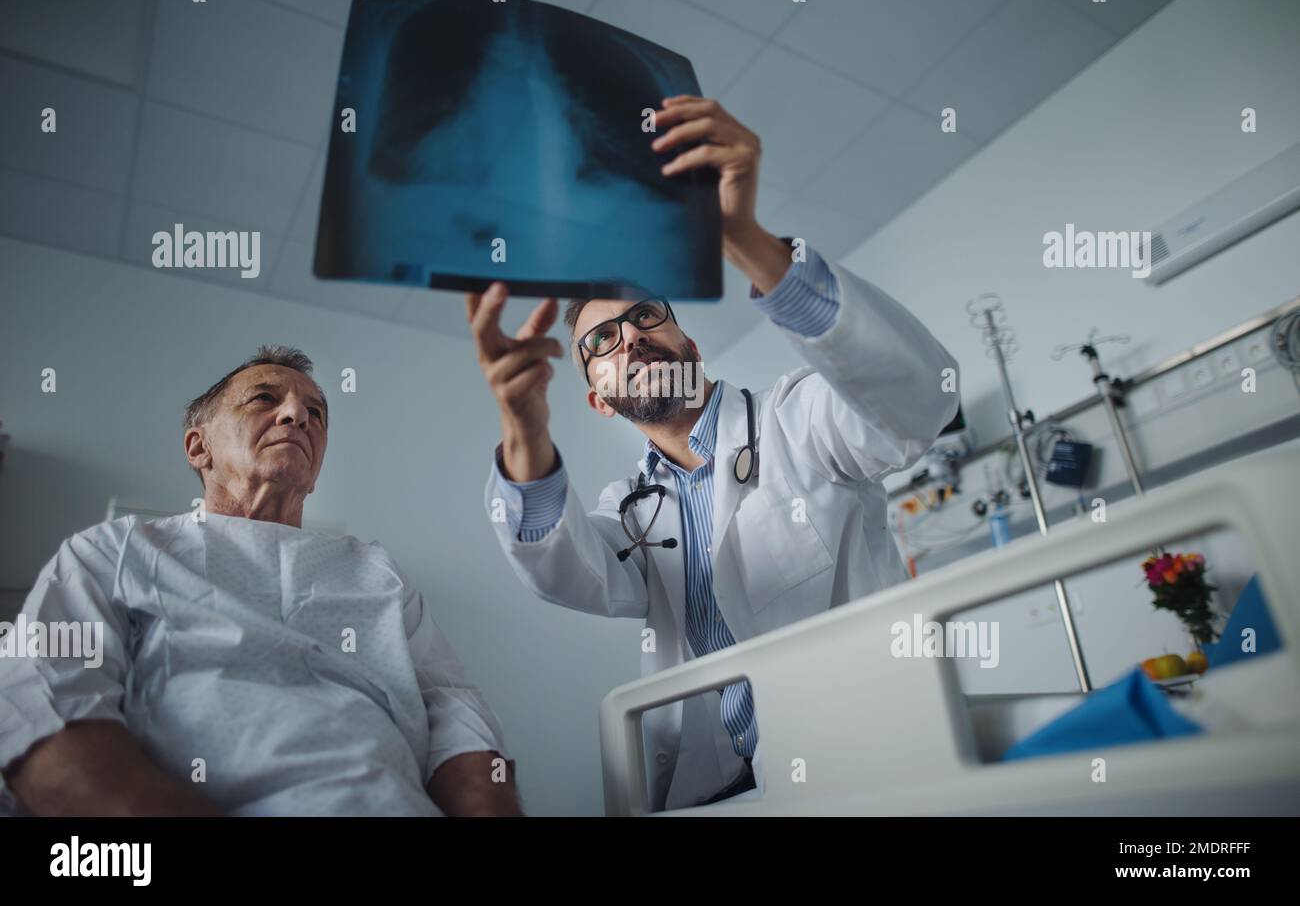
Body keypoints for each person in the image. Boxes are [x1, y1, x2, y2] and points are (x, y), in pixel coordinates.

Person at [468, 96, 959, 811]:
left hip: (863, 762)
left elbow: (922, 397)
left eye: (645, 317)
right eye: (599, 343)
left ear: (688, 347)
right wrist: (523, 428)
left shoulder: (799, 423)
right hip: (716, 791)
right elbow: (561, 571)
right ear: (598, 399)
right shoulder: (625, 515)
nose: (630, 338)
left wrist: (745, 239)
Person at [0, 346, 519, 816]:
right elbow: (40, 705)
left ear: (315, 471)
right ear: (197, 447)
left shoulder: (377, 572)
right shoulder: (115, 552)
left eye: (316, 413)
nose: (297, 415)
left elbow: (457, 718)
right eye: (264, 400)